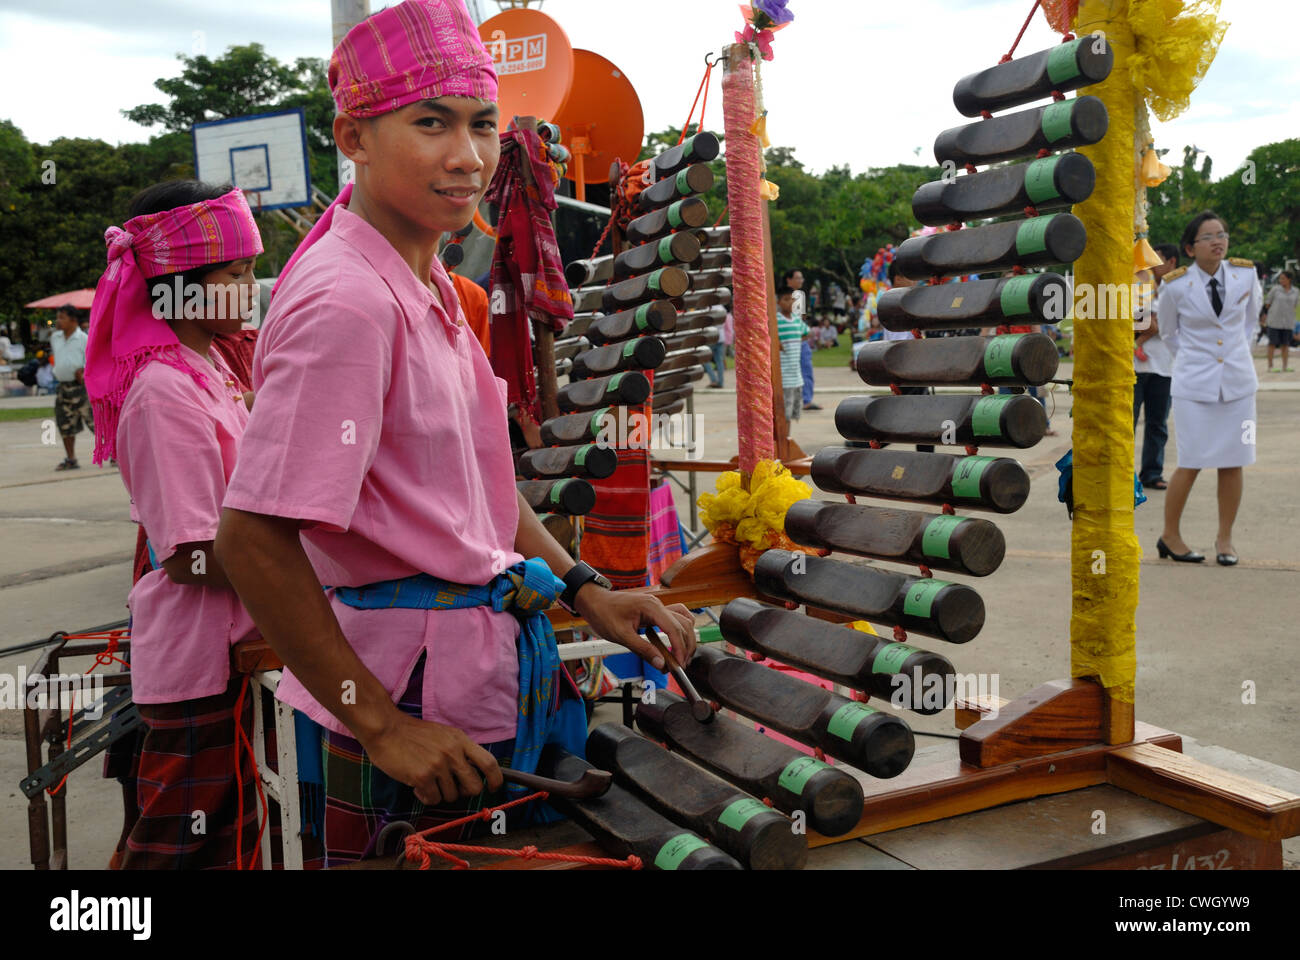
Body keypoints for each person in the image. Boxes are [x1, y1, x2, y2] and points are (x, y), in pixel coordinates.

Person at [213, 0, 695, 866]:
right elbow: (252, 537)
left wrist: (584, 588)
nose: (466, 157)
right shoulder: (347, 300)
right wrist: (384, 724)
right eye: (430, 124)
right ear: (354, 136)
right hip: (410, 702)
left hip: (477, 682)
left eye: (481, 125)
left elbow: (479, 489)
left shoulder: (424, 280)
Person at [83, 180, 264, 868]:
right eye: (236, 273)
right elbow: (188, 552)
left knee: (228, 841)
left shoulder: (209, 366)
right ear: (182, 287)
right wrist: (299, 570)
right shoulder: (163, 393)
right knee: (173, 851)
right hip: (197, 660)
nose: (250, 287)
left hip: (227, 650)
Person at [1154, 211, 1260, 566]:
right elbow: (1169, 333)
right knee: (1192, 461)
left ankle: (1225, 540)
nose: (1218, 241)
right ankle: (1170, 535)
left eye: (1222, 234)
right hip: (1193, 386)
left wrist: (1235, 355)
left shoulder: (1246, 274)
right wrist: (1194, 361)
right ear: (1190, 247)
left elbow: (1250, 323)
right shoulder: (1175, 284)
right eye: (1208, 236)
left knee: (1235, 461)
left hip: (1238, 382)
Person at [1132, 243, 1181, 490]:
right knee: (1126, 423)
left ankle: (1151, 473)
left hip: (1164, 366)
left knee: (1157, 424)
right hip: (1135, 366)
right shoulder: (1140, 284)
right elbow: (1138, 321)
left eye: (1157, 259)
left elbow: (1171, 325)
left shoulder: (1178, 290)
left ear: (1171, 262)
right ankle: (1122, 476)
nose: (1151, 264)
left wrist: (1153, 325)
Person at [50, 306, 92, 469]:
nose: (58, 321)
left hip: (81, 388)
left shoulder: (84, 339)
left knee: (95, 421)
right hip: (63, 387)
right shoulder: (55, 337)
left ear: (73, 320)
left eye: (62, 318)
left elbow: (91, 360)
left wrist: (83, 370)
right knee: (64, 423)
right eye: (57, 317)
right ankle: (71, 458)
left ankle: (114, 454)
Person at [783, 268, 819, 410]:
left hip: (798, 337)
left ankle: (805, 399)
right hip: (791, 338)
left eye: (801, 278)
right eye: (798, 278)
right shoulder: (784, 296)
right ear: (789, 280)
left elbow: (801, 317)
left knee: (804, 368)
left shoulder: (800, 295)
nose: (800, 281)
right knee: (794, 369)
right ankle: (798, 400)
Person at [776, 285, 808, 424]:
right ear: (779, 302)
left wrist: (796, 343)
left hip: (796, 375)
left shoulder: (796, 319)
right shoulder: (776, 320)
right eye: (786, 299)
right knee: (784, 414)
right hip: (783, 376)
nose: (790, 302)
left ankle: (787, 439)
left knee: (793, 411)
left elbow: (806, 332)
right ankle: (784, 441)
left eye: (792, 299)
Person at [1262, 271, 1297, 372]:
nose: (1281, 280)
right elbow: (1267, 304)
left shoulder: (1295, 291)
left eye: (1283, 278)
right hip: (1274, 321)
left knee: (1285, 344)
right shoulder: (1275, 290)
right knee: (1272, 344)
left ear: (1289, 279)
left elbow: (1295, 305)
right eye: (1280, 278)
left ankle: (1285, 366)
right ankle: (1270, 366)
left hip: (1288, 323)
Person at [705, 309, 732, 388]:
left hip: (711, 337)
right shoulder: (722, 309)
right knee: (719, 361)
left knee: (705, 360)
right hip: (721, 337)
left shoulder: (708, 309)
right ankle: (720, 382)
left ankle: (713, 379)